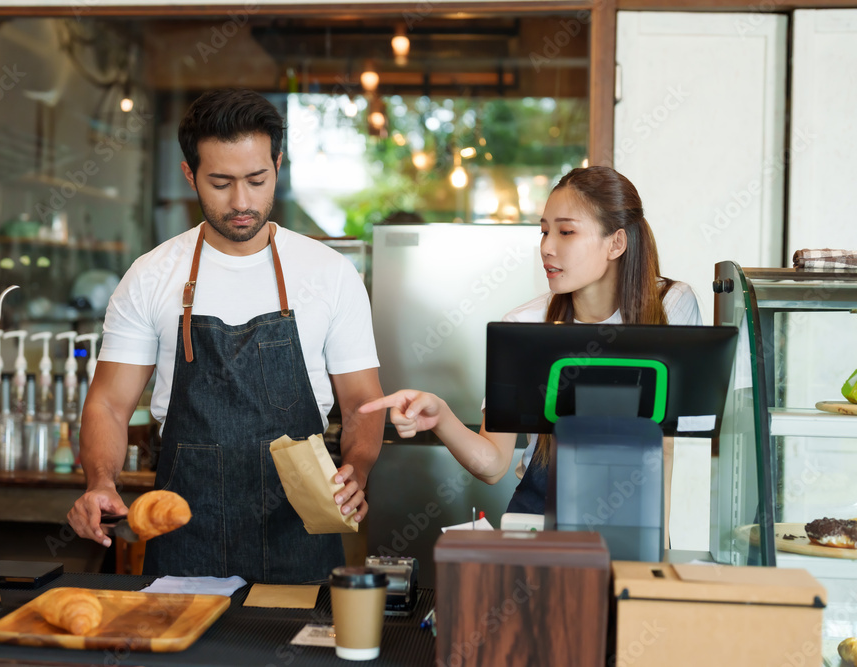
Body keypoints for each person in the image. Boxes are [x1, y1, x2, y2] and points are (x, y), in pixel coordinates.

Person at [68, 89, 385, 583]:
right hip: (185, 533)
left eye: (257, 180)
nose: (242, 202)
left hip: (300, 528)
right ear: (190, 174)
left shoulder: (330, 273)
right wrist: (100, 482)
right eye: (220, 182)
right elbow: (108, 404)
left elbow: (363, 401)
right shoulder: (151, 276)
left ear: (277, 165)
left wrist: (357, 469)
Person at [359, 165, 702, 518]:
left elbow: (666, 448)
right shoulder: (524, 324)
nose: (547, 248)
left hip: (634, 515)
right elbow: (492, 464)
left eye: (566, 232)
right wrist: (441, 416)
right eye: (544, 232)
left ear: (615, 243)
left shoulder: (669, 306)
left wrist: (655, 552)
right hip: (537, 514)